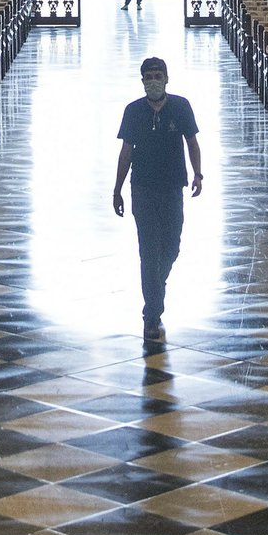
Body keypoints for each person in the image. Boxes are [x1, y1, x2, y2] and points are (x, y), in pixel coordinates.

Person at [110, 56, 205, 346]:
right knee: (149, 251)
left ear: (166, 78)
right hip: (143, 188)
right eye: (148, 76)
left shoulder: (181, 106)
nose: (153, 81)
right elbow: (126, 152)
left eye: (157, 76)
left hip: (173, 185)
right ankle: (152, 314)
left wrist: (198, 174)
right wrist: (117, 189)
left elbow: (192, 142)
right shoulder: (134, 111)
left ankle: (155, 288)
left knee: (172, 247)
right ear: (142, 81)